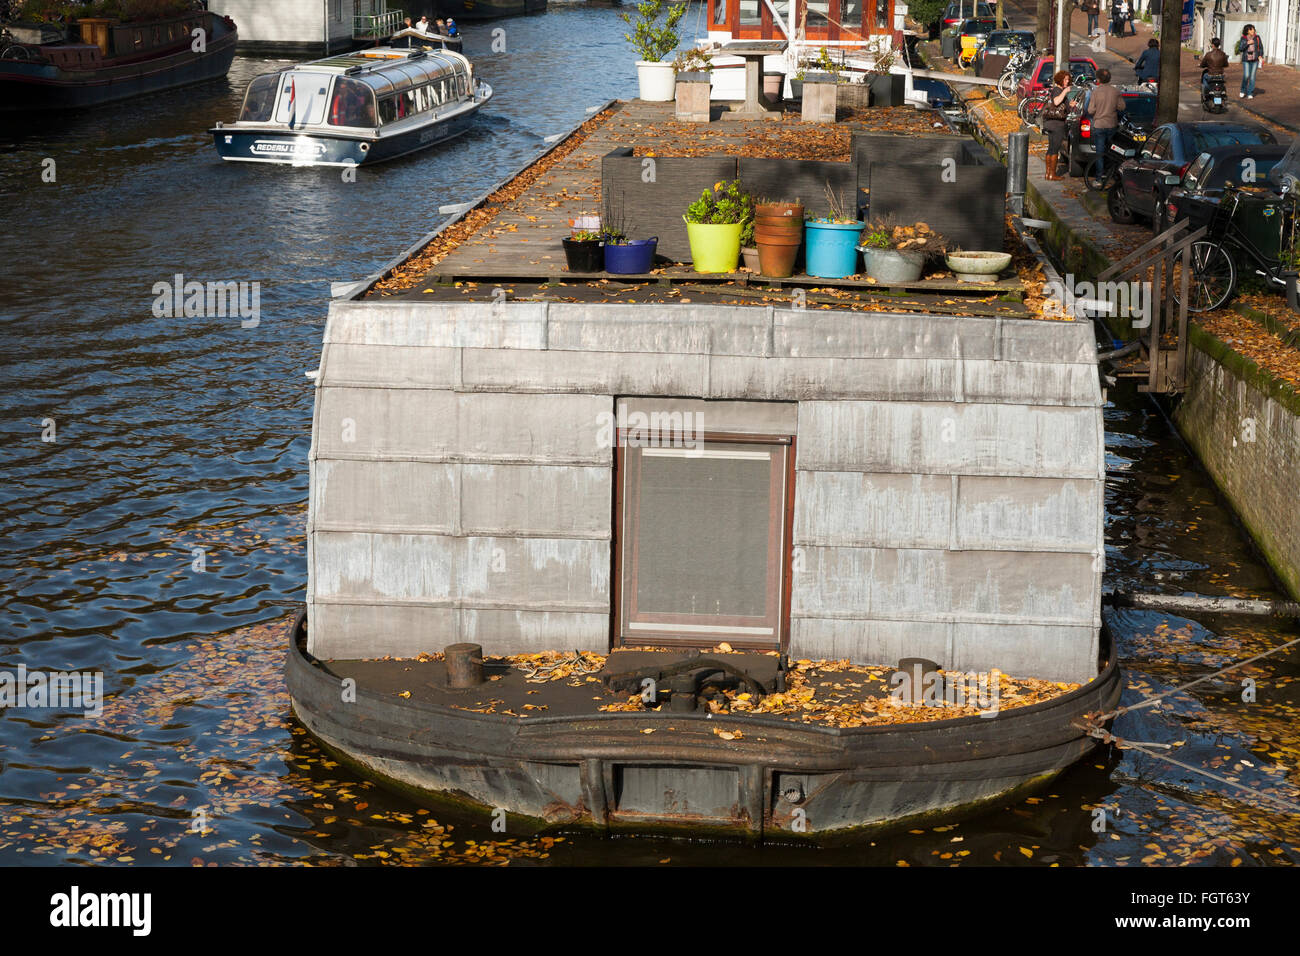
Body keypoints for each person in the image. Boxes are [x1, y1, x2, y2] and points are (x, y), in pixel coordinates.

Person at [1084, 68, 1125, 178]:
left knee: (1099, 152)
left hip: (1099, 125)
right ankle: (1111, 173)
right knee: (1111, 151)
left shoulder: (1095, 92)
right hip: (1112, 125)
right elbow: (1122, 107)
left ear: (1098, 79)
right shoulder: (1116, 91)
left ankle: (1099, 176)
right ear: (1109, 78)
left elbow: (1090, 110)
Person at [1041, 70, 1072, 181]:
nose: (1067, 81)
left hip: (1051, 124)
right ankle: (1052, 174)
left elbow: (1064, 108)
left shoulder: (1058, 90)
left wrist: (1071, 105)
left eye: (1068, 79)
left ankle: (1048, 173)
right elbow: (1056, 102)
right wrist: (1065, 92)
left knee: (1051, 148)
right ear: (1060, 79)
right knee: (1054, 149)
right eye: (1065, 79)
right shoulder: (1057, 90)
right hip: (1056, 124)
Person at [1235, 24, 1264, 98]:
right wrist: (1247, 43)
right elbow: (1240, 48)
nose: (1253, 30)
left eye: (1253, 29)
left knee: (1252, 77)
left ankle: (1250, 93)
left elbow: (1260, 47)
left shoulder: (1257, 37)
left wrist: (1260, 55)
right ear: (1247, 31)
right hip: (1246, 59)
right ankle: (1242, 90)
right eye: (1251, 29)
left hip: (1255, 59)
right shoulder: (1243, 38)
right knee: (1246, 75)